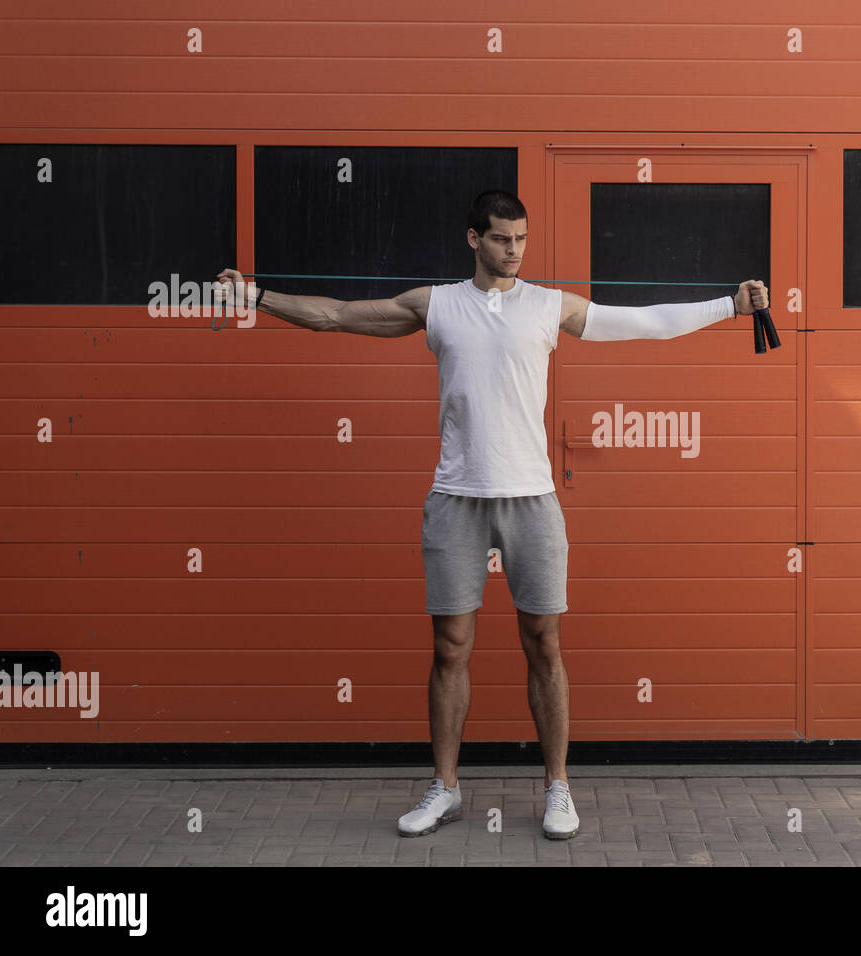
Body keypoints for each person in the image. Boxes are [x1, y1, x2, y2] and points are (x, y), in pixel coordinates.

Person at [216, 189, 769, 840]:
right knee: (450, 649)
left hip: (532, 497)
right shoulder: (437, 305)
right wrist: (257, 296)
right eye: (503, 238)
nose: (514, 250)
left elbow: (643, 321)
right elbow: (336, 314)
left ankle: (557, 787)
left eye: (522, 239)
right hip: (456, 497)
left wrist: (729, 305)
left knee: (545, 643)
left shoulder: (545, 306)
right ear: (473, 238)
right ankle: (444, 788)